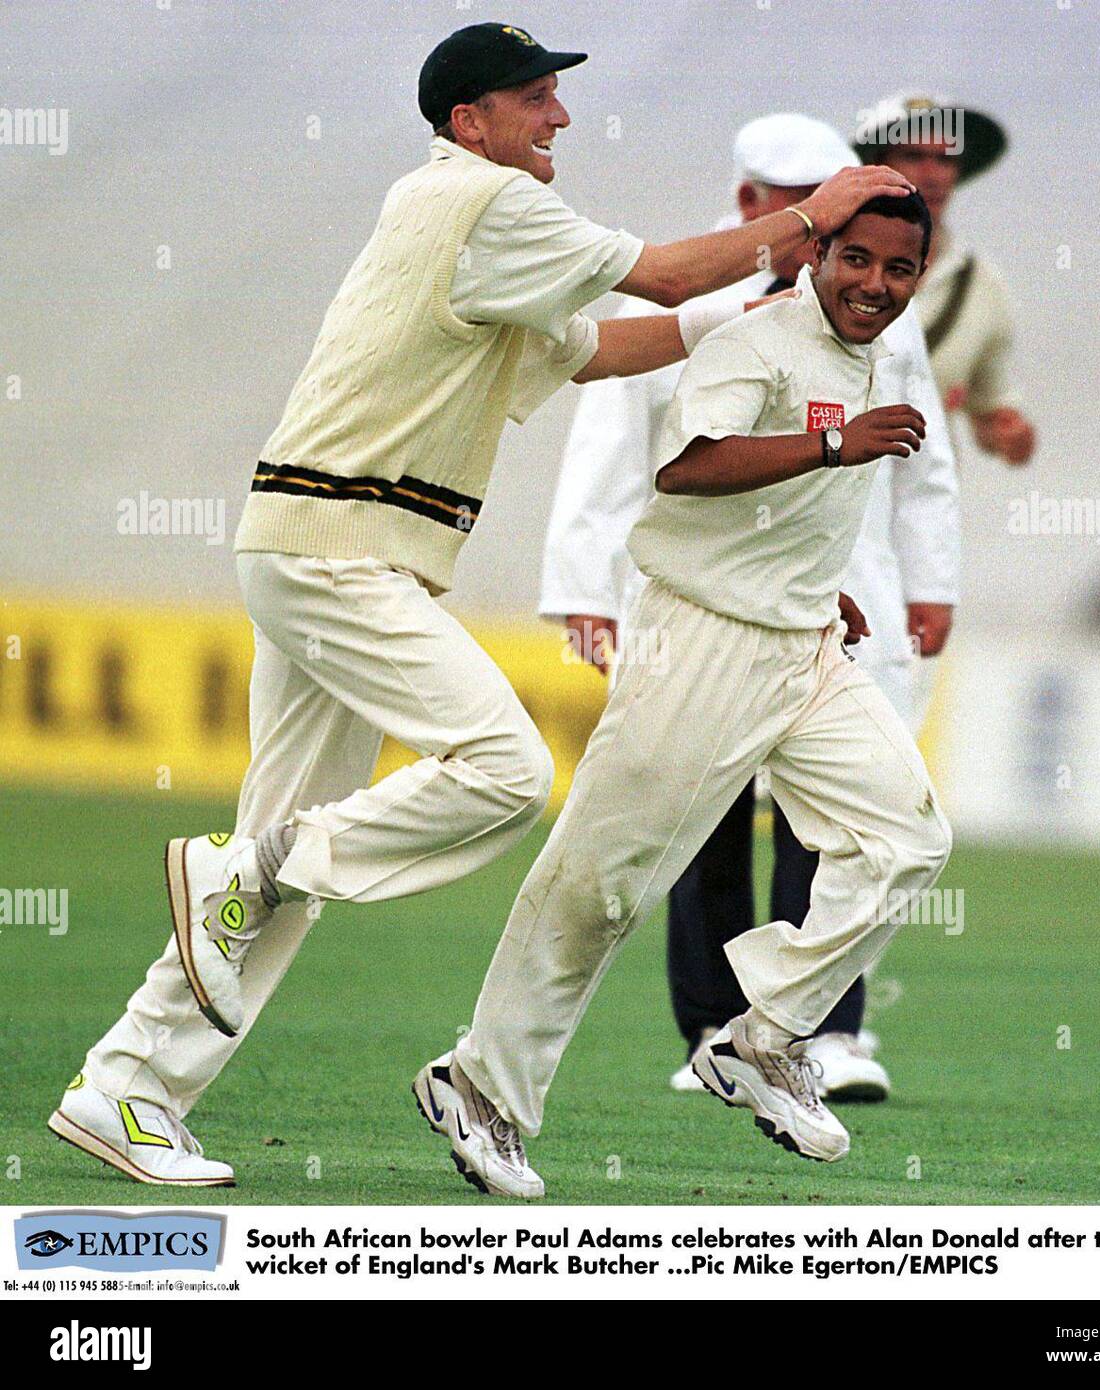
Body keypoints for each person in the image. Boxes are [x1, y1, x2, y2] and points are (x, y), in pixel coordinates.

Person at [48, 23, 914, 1187]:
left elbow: (607, 346)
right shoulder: (477, 200)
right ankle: (241, 871)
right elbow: (657, 272)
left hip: (332, 545)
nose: (559, 118)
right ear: (471, 121)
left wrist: (758, 301)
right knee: (503, 770)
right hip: (337, 543)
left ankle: (127, 1086)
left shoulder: (483, 236)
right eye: (537, 98)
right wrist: (811, 218)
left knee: (290, 868)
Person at [416, 189, 953, 1199]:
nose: (875, 286)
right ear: (816, 253)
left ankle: (764, 1037)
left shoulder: (873, 348)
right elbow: (685, 468)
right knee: (605, 883)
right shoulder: (757, 339)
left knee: (906, 837)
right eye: (857, 260)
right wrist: (836, 447)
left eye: (898, 269)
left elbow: (788, 498)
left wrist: (812, 577)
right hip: (697, 644)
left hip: (801, 644)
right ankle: (477, 1084)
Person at [540, 114, 959, 1105]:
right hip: (703, 596)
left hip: (838, 598)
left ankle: (827, 1030)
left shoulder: (875, 299)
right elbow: (612, 449)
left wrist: (931, 583)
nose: (835, 230)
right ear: (748, 203)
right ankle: (708, 1030)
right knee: (702, 816)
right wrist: (578, 590)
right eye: (809, 205)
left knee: (846, 820)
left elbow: (926, 463)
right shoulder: (700, 300)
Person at [852, 92, 1036, 466]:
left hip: (922, 502)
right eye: (912, 156)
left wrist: (1011, 436)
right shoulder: (817, 260)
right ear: (875, 163)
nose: (931, 174)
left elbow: (987, 409)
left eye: (946, 159)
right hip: (826, 491)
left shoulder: (981, 285)